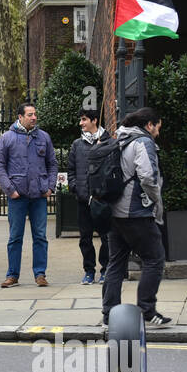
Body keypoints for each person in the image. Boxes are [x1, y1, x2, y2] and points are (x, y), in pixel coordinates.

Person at [101, 106, 171, 328]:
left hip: (113, 212)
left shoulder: (120, 139)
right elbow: (148, 176)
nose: (158, 133)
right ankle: (147, 310)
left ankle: (108, 314)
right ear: (149, 125)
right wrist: (155, 201)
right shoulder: (143, 142)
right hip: (135, 212)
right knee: (154, 259)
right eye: (157, 127)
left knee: (116, 262)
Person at [0, 102, 58, 288]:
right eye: (30, 114)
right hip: (17, 196)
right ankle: (12, 275)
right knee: (15, 237)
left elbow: (52, 164)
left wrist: (50, 187)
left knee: (40, 236)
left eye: (35, 114)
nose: (34, 117)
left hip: (38, 195)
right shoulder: (7, 138)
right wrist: (9, 189)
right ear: (20, 117)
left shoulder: (43, 137)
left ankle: (40, 274)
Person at [68, 108, 110, 285]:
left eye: (84, 120)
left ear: (94, 120)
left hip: (102, 201)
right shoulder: (77, 145)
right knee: (85, 238)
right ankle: (88, 271)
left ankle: (106, 269)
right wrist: (76, 188)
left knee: (106, 237)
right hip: (83, 200)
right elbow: (71, 170)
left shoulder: (108, 142)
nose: (81, 123)